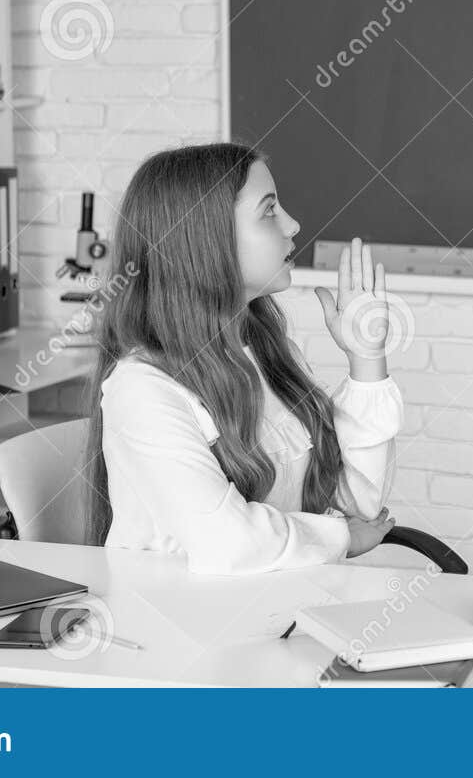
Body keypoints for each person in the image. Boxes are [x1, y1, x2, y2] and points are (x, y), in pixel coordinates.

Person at [81, 141, 403, 574]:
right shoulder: (141, 388)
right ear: (204, 240)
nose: (292, 224)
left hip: (275, 608)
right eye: (269, 210)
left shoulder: (268, 351)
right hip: (181, 626)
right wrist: (338, 537)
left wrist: (366, 362)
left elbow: (358, 502)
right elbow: (229, 544)